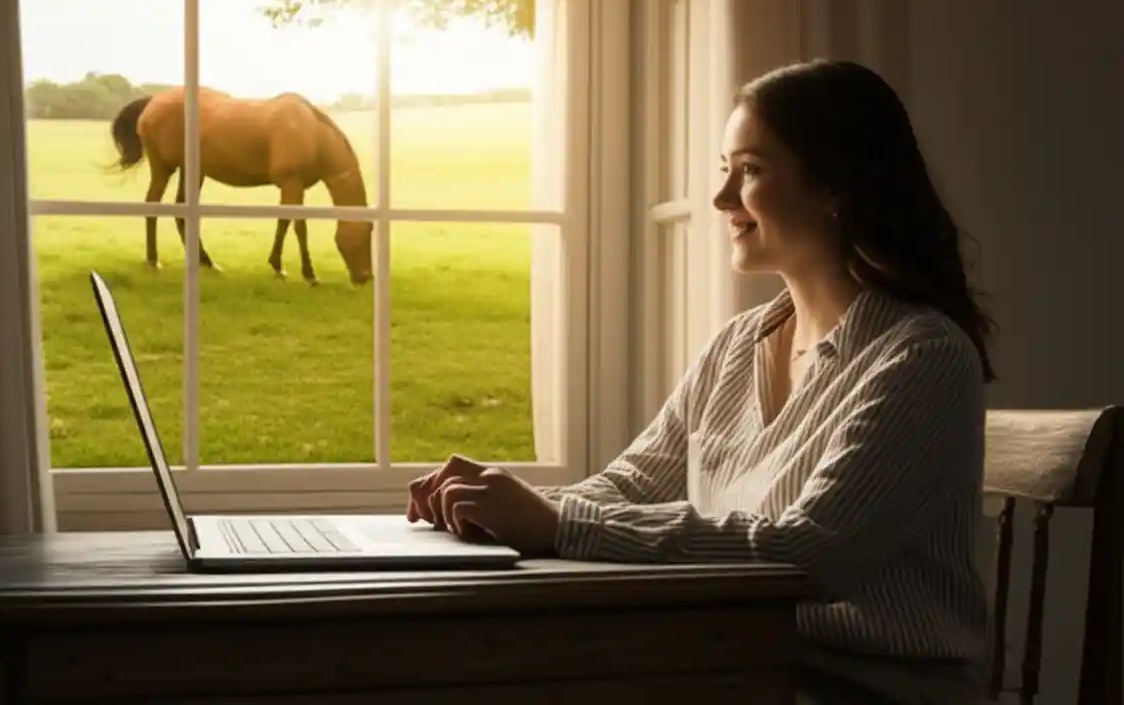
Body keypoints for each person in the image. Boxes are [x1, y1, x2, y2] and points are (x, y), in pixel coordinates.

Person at [406, 59, 993, 705]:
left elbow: (810, 554)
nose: (721, 201)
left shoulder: (924, 358)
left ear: (836, 187)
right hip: (739, 673)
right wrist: (494, 507)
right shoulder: (737, 347)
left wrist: (556, 524)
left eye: (750, 171)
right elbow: (628, 485)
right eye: (724, 170)